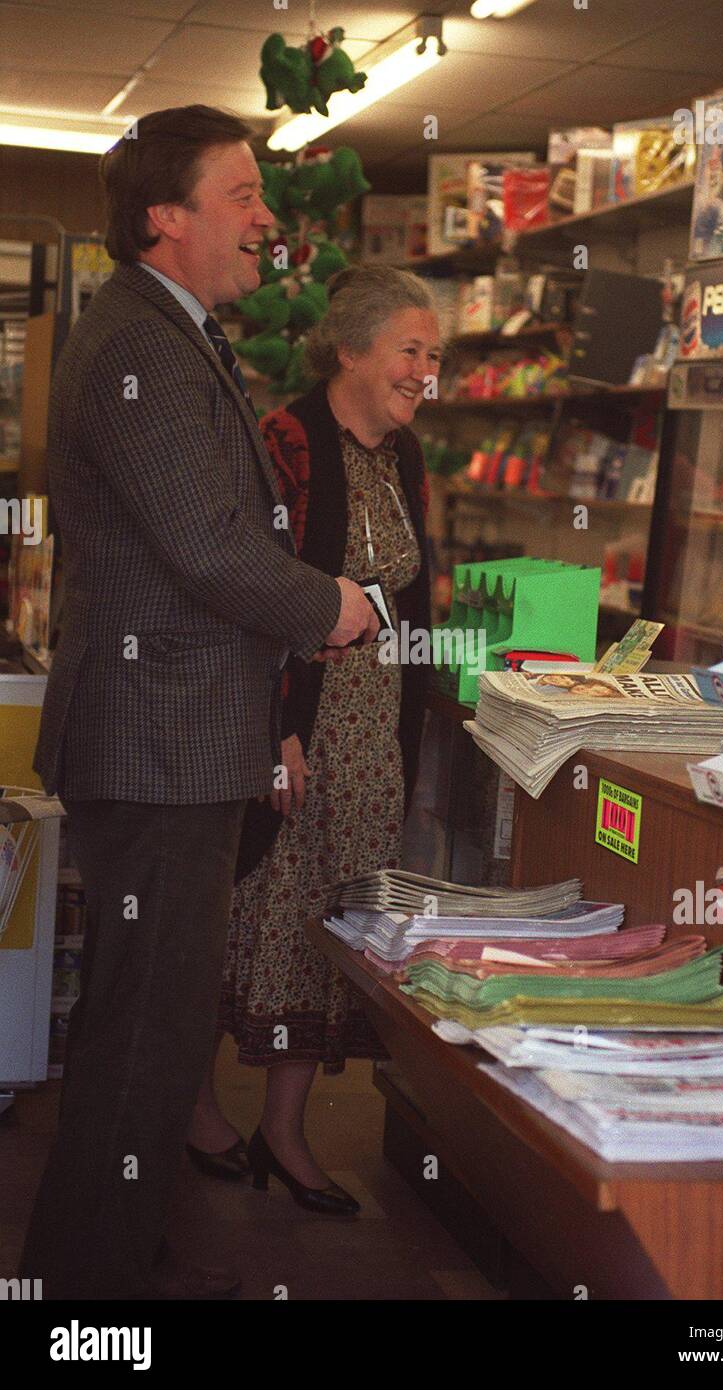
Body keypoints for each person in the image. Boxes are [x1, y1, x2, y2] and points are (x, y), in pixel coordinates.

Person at [18, 106, 377, 1301]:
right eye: (242, 194)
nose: (265, 219)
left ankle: (110, 1259)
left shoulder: (175, 333)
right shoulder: (137, 340)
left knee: (153, 1042)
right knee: (140, 1048)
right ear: (165, 217)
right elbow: (207, 544)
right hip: (157, 742)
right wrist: (327, 603)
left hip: (176, 739)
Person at [186, 267, 439, 1214]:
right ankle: (195, 1104)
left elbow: (413, 595)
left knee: (333, 922)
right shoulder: (284, 441)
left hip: (376, 727)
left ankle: (284, 1131)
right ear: (350, 350)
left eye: (435, 356)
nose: (426, 372)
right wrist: (274, 728)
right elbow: (249, 591)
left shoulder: (405, 458)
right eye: (409, 351)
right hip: (299, 722)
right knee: (251, 913)